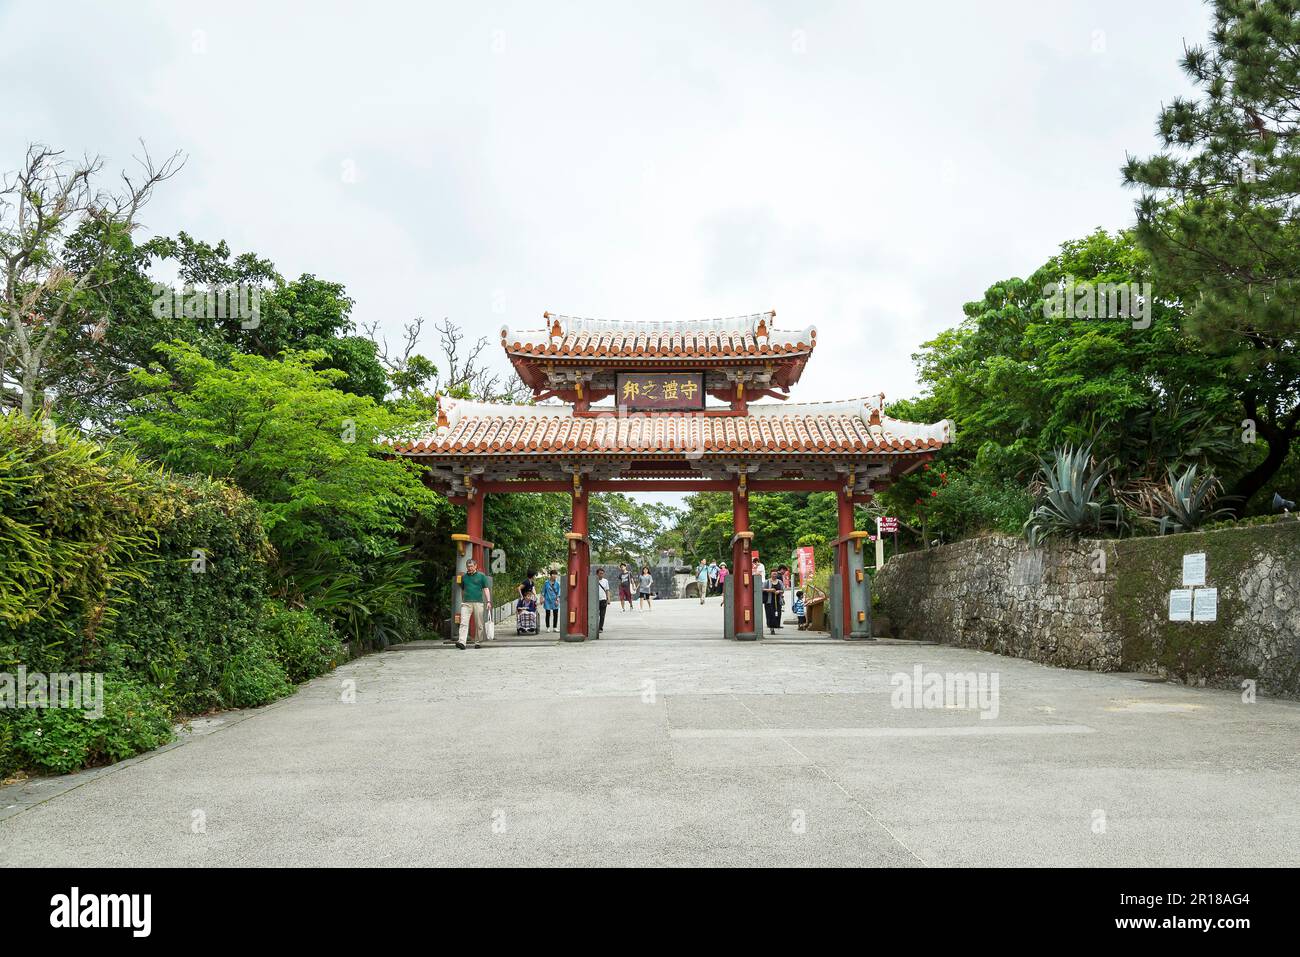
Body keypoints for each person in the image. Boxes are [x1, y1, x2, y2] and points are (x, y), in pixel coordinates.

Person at [456, 556, 493, 649]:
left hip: (478, 602)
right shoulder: (464, 577)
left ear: (475, 566)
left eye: (471, 566)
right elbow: (462, 589)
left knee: (479, 623)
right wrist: (462, 599)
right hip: (466, 603)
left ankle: (478, 642)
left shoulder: (481, 576)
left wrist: (488, 601)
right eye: (468, 566)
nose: (470, 568)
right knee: (463, 622)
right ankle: (462, 642)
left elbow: (486, 589)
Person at [542, 568, 562, 633]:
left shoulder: (558, 583)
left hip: (555, 600)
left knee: (555, 614)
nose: (555, 576)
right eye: (554, 574)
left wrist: (557, 599)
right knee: (547, 614)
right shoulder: (546, 583)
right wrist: (542, 598)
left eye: (556, 574)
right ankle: (548, 627)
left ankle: (555, 627)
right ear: (551, 575)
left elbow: (559, 592)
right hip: (547, 600)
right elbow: (543, 591)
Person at [596, 567, 610, 633]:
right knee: (595, 615)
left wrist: (608, 599)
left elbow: (607, 590)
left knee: (602, 615)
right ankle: (595, 627)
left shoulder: (605, 581)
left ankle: (600, 628)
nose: (601, 575)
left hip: (603, 599)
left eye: (602, 573)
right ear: (597, 574)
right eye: (600, 573)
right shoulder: (594, 580)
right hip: (595, 600)